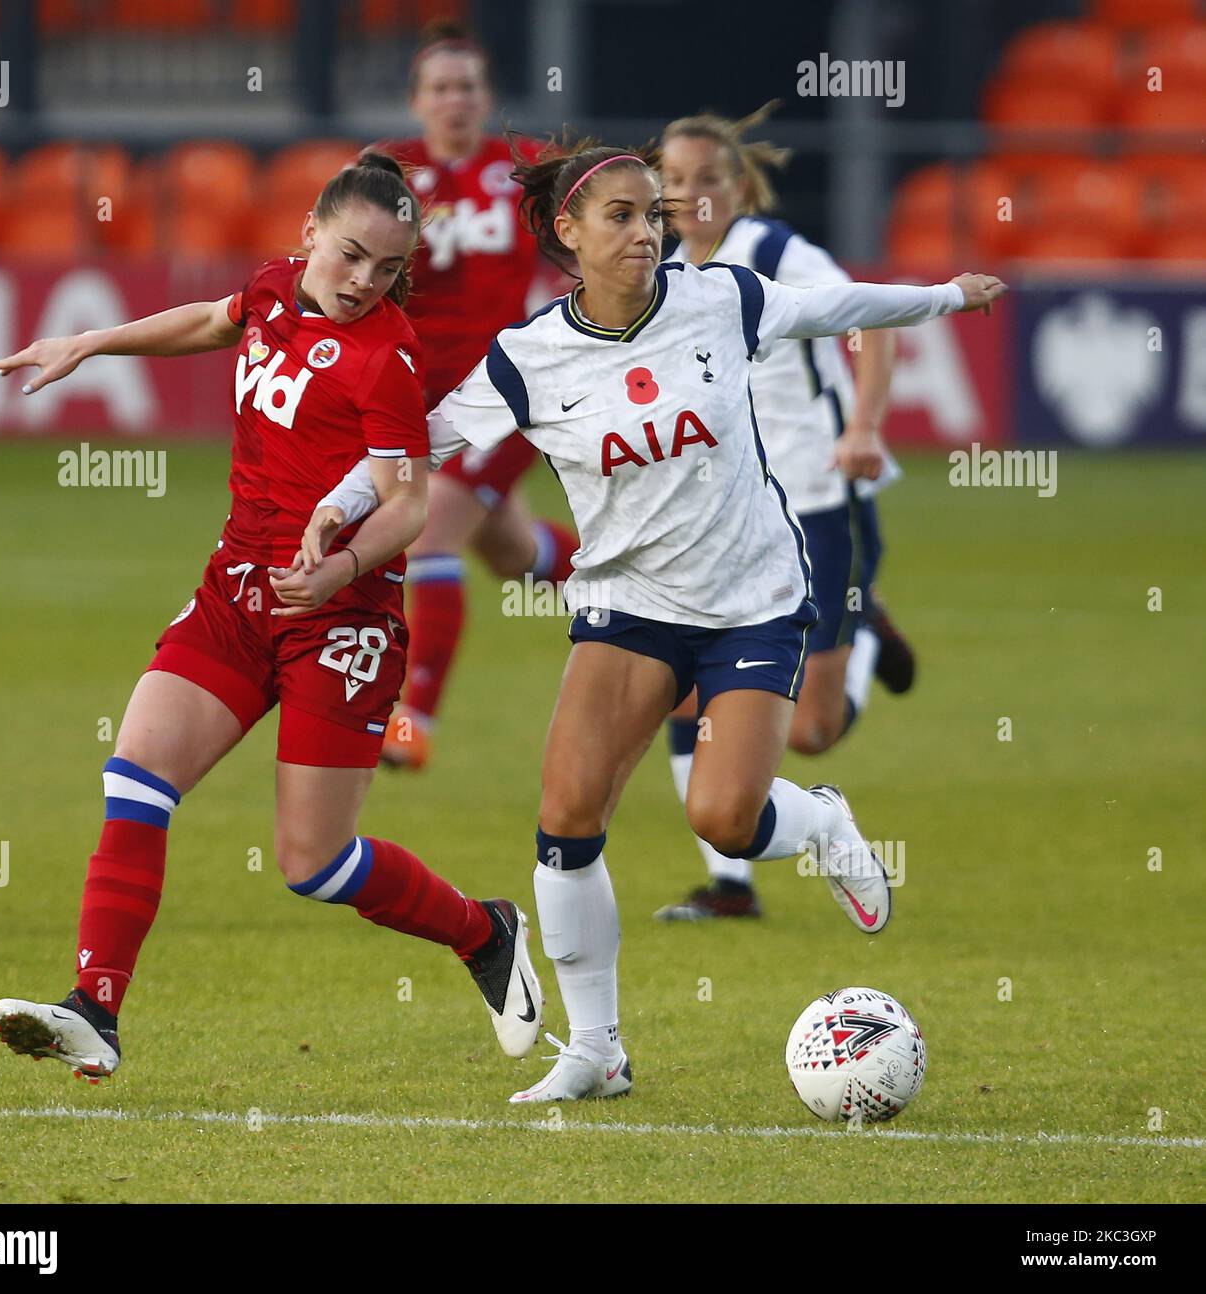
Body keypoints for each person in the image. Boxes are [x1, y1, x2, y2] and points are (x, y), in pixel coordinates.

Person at [300, 141, 1006, 1102]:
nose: (648, 232)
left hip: (753, 595)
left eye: (653, 215)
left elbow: (837, 308)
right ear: (568, 233)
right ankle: (596, 1051)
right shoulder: (529, 358)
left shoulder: (721, 298)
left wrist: (945, 297)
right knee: (565, 818)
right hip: (629, 605)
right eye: (623, 216)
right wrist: (341, 506)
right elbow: (416, 442)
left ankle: (823, 823)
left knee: (723, 817)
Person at [0, 153, 542, 1084]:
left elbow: (407, 503)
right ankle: (95, 1009)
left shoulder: (388, 356)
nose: (366, 281)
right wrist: (90, 343)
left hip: (344, 620)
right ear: (310, 233)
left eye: (388, 268)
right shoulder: (274, 289)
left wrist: (343, 571)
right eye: (353, 255)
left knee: (313, 864)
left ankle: (484, 930)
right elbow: (213, 319)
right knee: (136, 778)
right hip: (237, 593)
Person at [653, 105, 914, 922]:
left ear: (740, 186)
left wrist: (864, 426)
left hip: (816, 502)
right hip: (724, 516)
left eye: (707, 179)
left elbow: (873, 319)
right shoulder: (656, 267)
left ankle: (862, 630)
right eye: (673, 180)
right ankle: (730, 884)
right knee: (681, 688)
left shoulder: (774, 252)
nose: (690, 195)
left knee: (810, 734)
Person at [377, 20, 579, 770]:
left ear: (487, 96)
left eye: (468, 87)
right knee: (510, 551)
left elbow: (586, 247)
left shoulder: (528, 167)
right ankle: (641, 598)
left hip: (506, 391)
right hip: (412, 398)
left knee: (427, 536)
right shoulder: (387, 173)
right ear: (417, 101)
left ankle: (413, 720)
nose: (456, 100)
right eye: (441, 88)